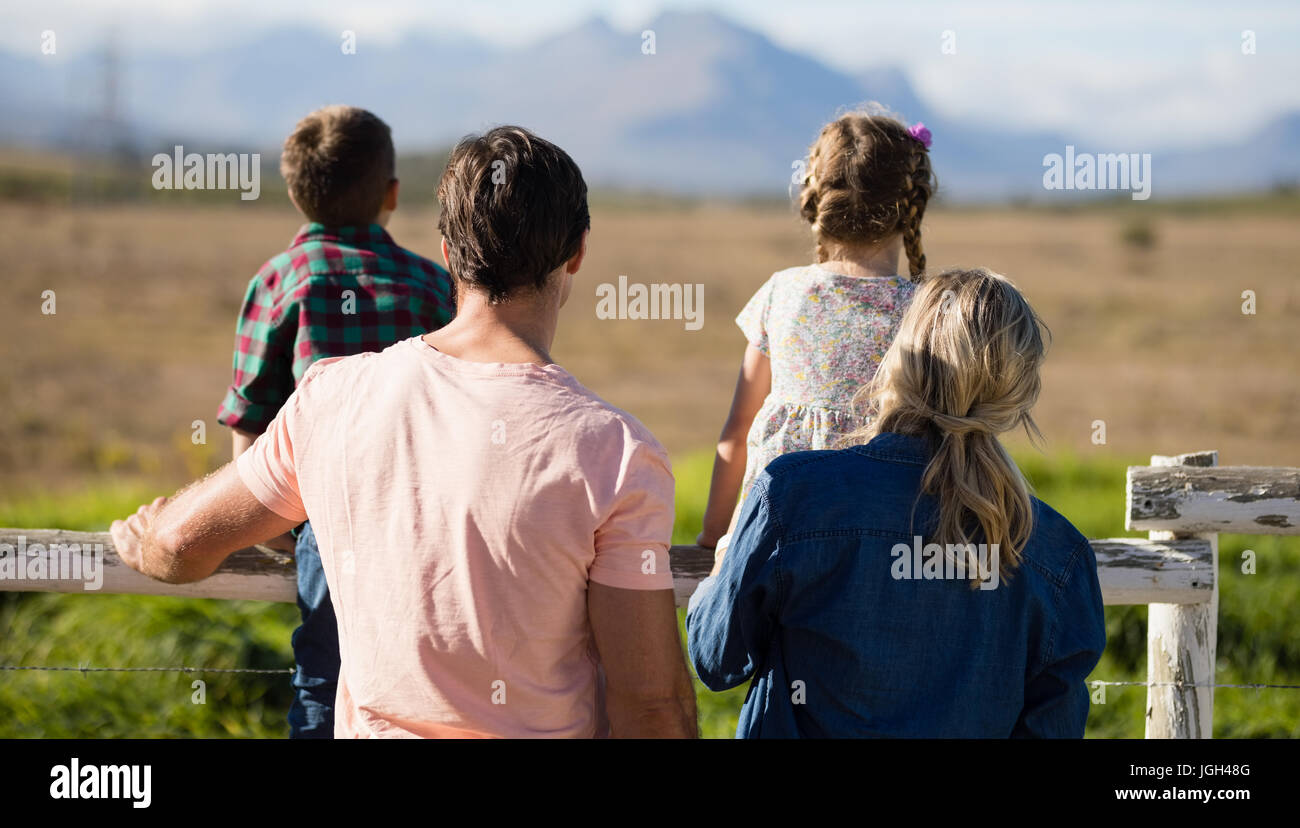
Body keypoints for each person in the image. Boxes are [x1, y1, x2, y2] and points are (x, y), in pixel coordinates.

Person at [117, 126, 697, 738]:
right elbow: (651, 707)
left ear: (448, 251)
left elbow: (181, 545)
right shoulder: (617, 453)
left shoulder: (331, 398)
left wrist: (143, 538)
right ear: (577, 251)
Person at [686, 269, 1107, 737]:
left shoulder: (791, 495)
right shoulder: (1058, 554)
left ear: (898, 361)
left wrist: (725, 567)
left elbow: (715, 658)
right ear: (1020, 394)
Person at [215, 105, 454, 738]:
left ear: (295, 192)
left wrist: (271, 526)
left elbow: (250, 419)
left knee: (324, 677)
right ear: (392, 194)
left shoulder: (280, 281)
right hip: (430, 528)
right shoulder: (434, 284)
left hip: (326, 524)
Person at [696, 110, 935, 551]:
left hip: (772, 546)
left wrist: (716, 539)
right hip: (884, 551)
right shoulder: (927, 311)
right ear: (911, 203)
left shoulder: (781, 292)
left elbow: (738, 429)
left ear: (816, 196)